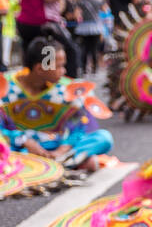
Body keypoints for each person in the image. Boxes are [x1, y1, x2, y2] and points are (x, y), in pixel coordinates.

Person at [1, 37, 114, 170]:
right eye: (59, 66)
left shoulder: (65, 90)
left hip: (54, 147)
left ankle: (57, 161)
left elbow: (76, 129)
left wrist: (61, 151)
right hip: (21, 148)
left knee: (104, 138)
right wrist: (23, 140)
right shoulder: (5, 87)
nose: (64, 71)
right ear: (39, 68)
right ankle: (68, 162)